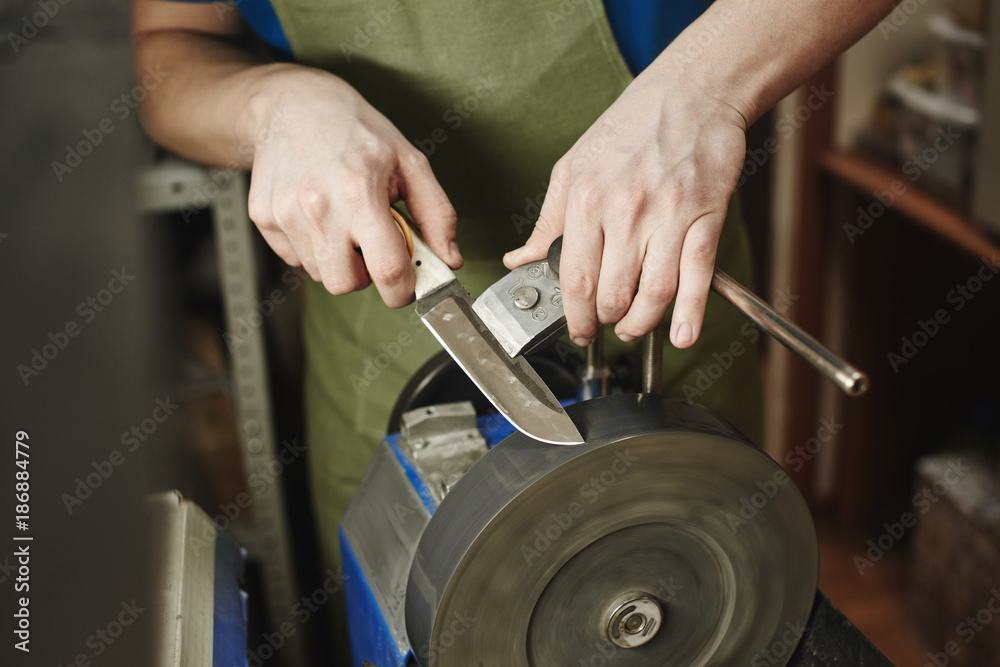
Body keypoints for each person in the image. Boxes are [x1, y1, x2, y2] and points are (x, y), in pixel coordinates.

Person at [133, 0, 893, 660]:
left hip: (663, 295)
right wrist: (273, 106)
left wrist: (703, 90)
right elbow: (164, 48)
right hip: (383, 336)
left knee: (717, 611)